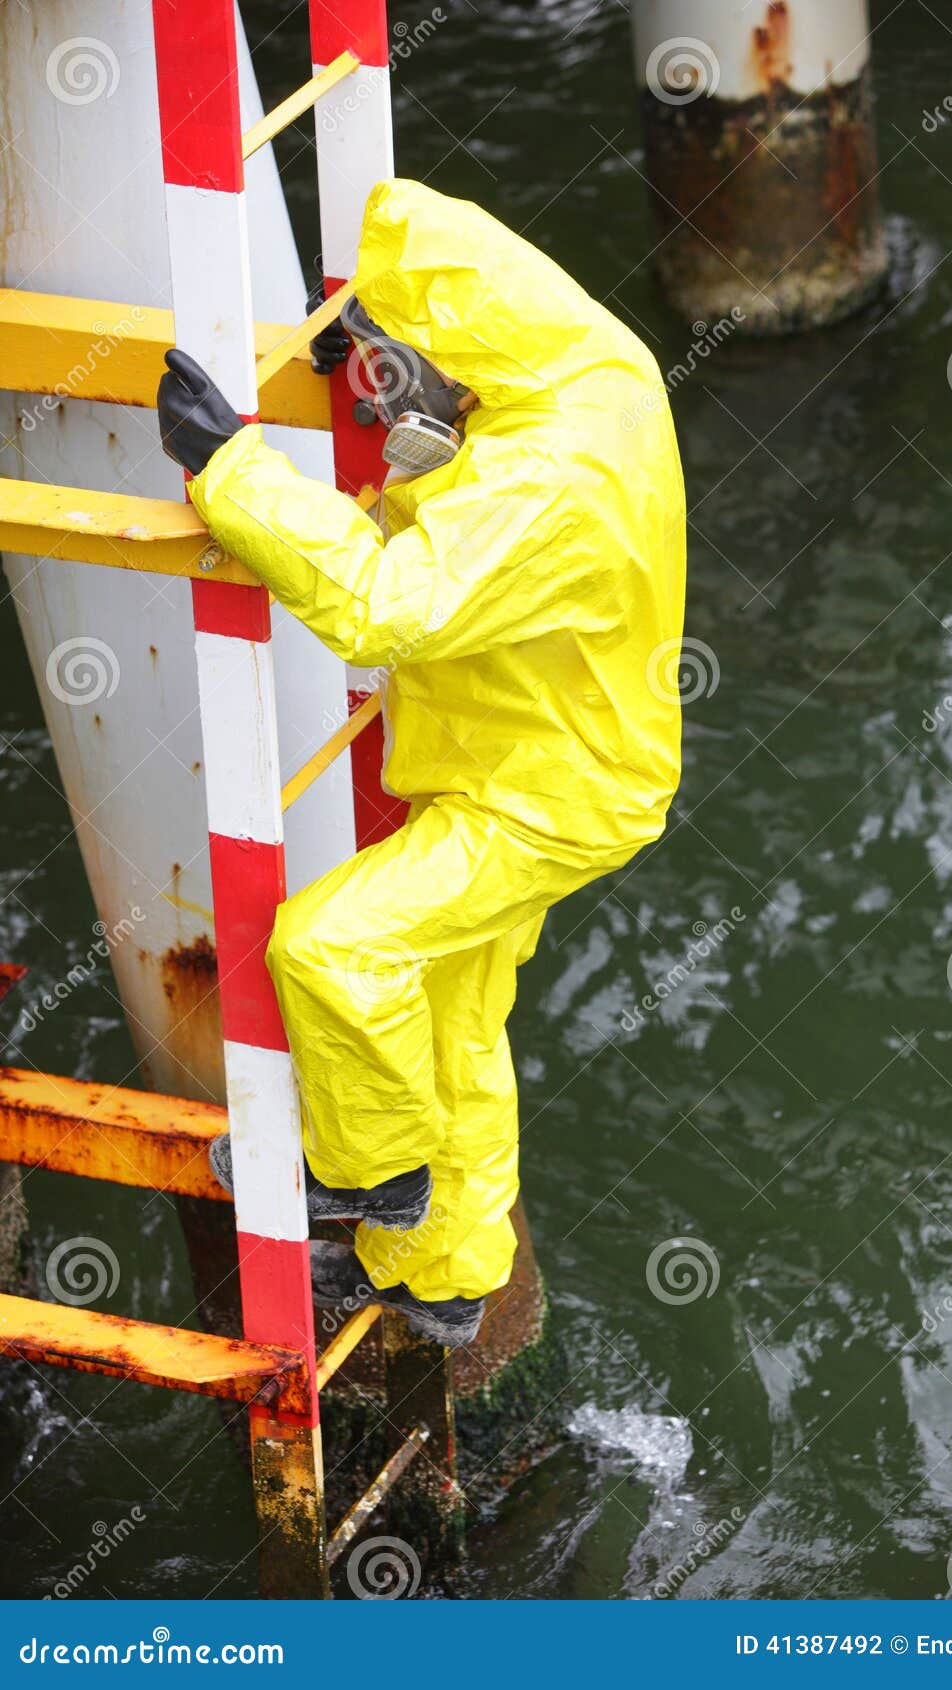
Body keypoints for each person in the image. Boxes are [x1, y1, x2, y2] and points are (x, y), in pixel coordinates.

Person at [157, 178, 686, 1346]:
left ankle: (366, 1175)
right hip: (546, 756)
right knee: (452, 1014)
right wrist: (401, 356)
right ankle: (443, 1271)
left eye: (399, 355)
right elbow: (499, 527)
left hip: (538, 792)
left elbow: (388, 607)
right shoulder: (591, 374)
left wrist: (230, 472)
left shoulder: (547, 477)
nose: (381, 378)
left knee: (334, 946)